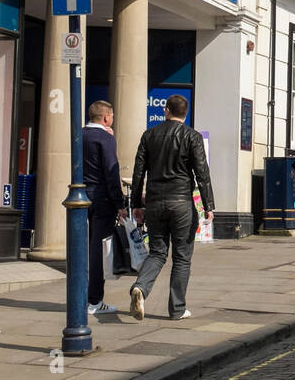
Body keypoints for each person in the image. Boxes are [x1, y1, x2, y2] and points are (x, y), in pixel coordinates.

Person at [128, 94, 214, 322]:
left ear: (166, 110)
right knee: (182, 258)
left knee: (157, 252)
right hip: (182, 204)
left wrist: (135, 204)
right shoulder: (192, 137)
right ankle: (176, 309)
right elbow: (202, 173)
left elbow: (139, 173)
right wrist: (209, 206)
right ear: (185, 114)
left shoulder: (149, 135)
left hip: (155, 203)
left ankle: (140, 287)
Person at [83, 100, 127, 316]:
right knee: (98, 250)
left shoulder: (79, 134)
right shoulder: (106, 138)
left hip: (81, 196)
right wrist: (119, 203)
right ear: (106, 118)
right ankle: (94, 301)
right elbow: (111, 172)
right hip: (102, 199)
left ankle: (79, 297)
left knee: (80, 250)